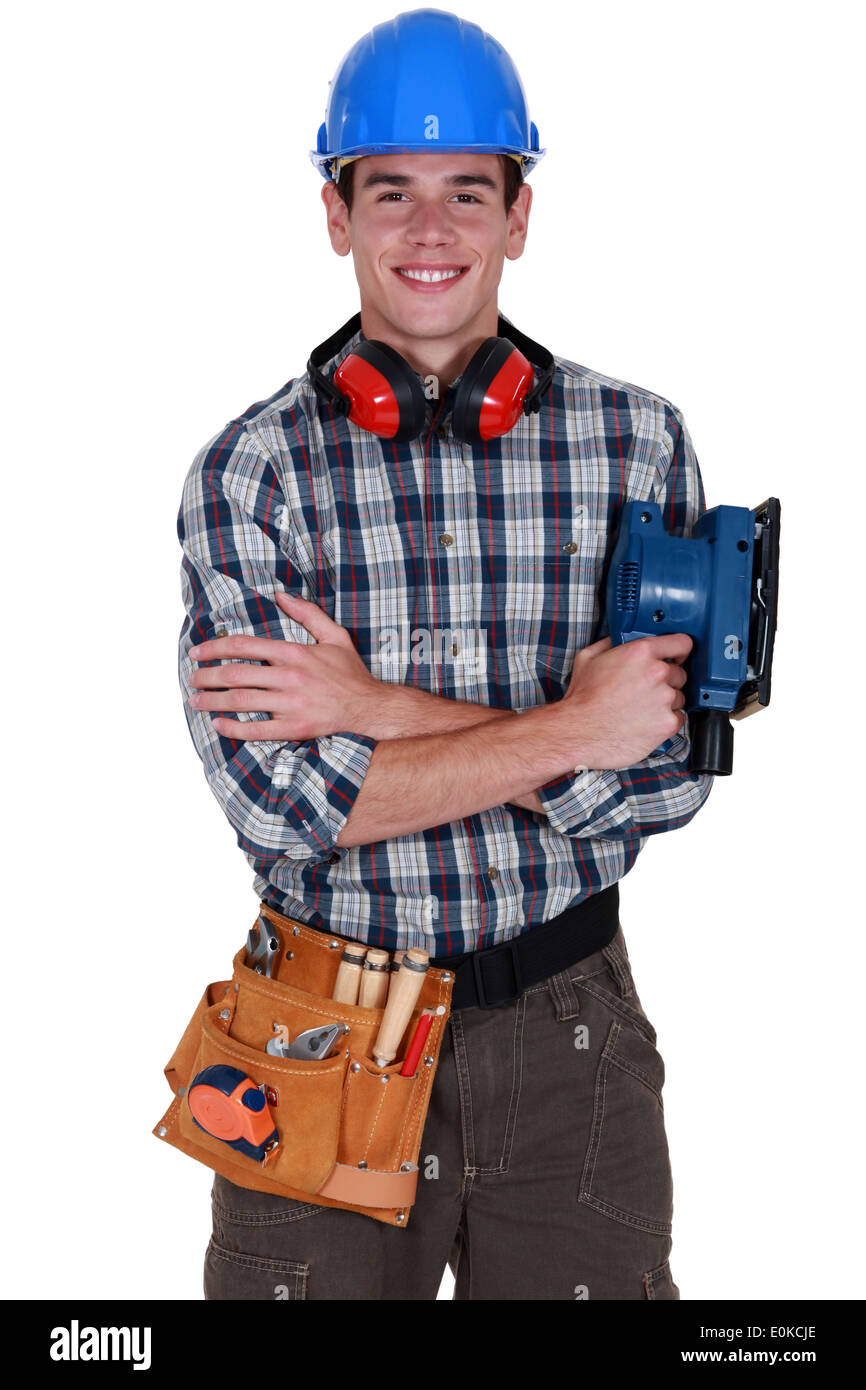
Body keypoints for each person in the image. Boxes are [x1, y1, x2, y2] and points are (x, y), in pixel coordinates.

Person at [176, 8, 713, 1300]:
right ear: (335, 212)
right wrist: (574, 728)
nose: (429, 233)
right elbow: (298, 810)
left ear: (517, 214)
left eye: (467, 192)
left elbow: (672, 772)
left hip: (567, 1034)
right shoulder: (253, 474)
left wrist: (365, 704)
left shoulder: (635, 447)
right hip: (319, 1030)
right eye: (390, 193)